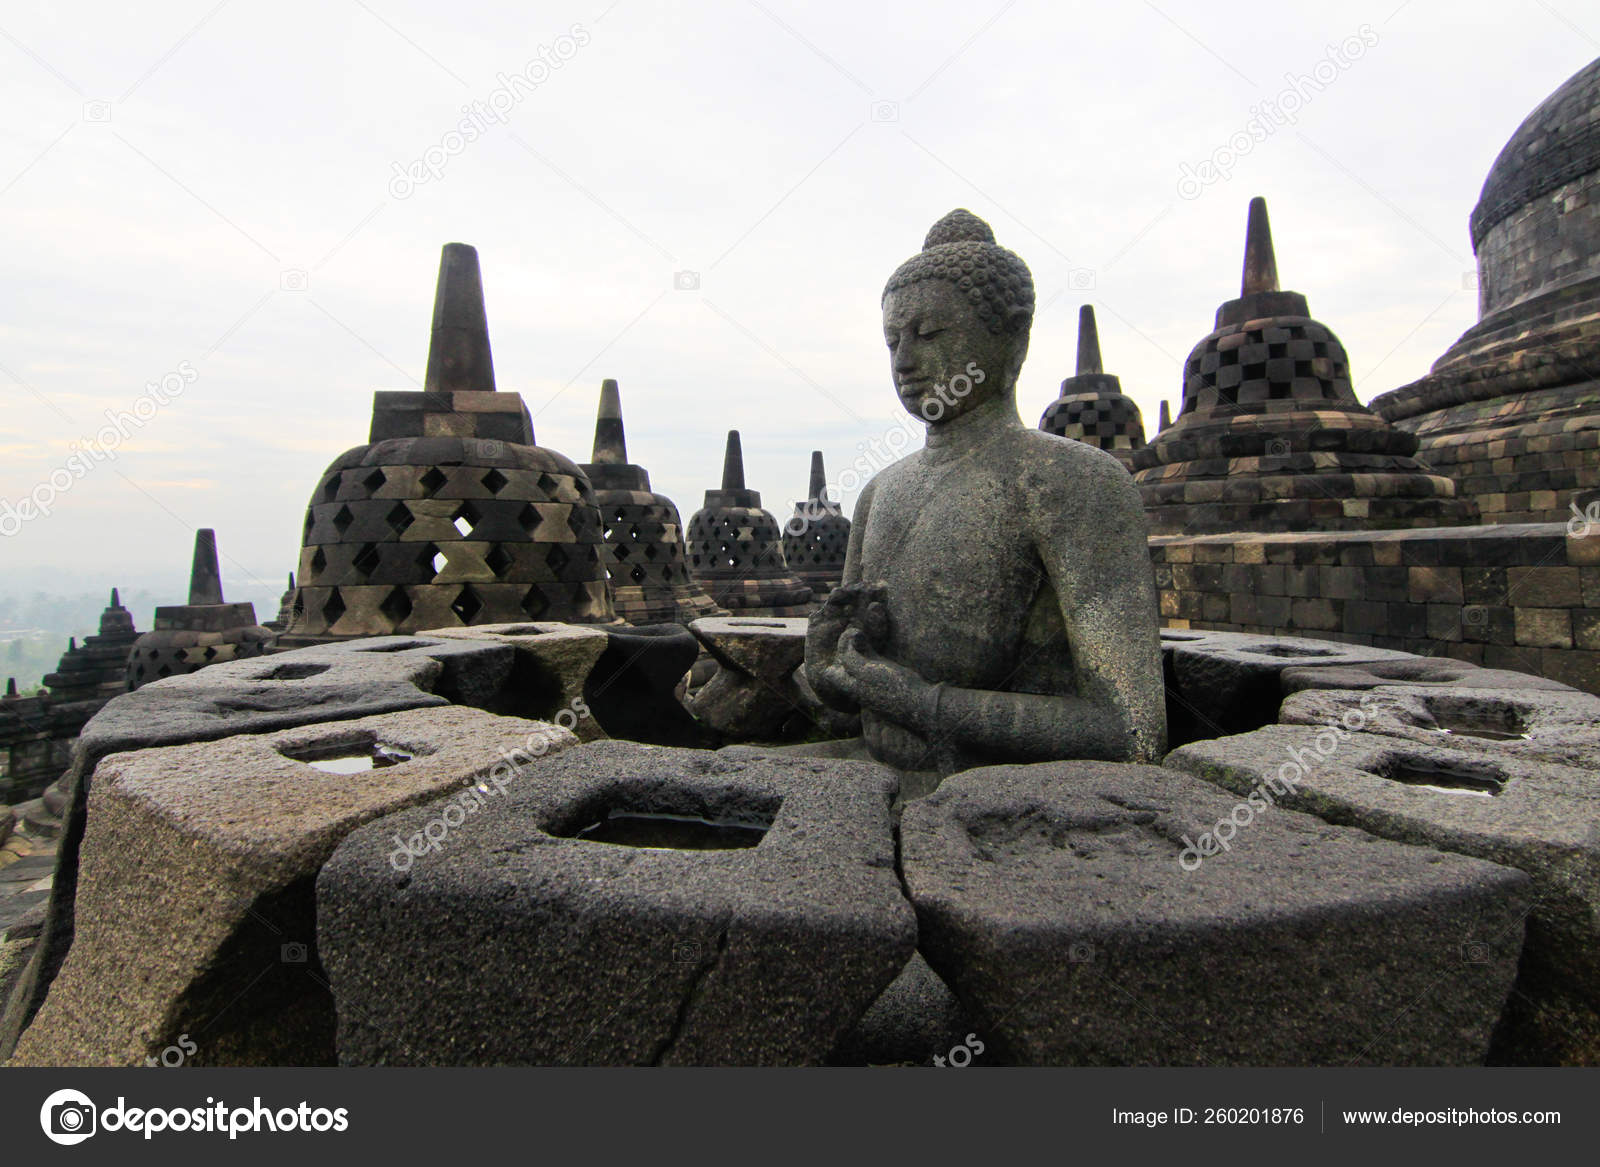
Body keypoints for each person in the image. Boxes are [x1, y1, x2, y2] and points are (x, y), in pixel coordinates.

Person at [805, 209, 1165, 780]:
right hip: (870, 772)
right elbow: (859, 690)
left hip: (997, 796)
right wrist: (832, 673)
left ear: (1012, 338)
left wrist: (921, 704)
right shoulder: (879, 492)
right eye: (892, 340)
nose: (904, 360)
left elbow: (1131, 732)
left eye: (929, 334)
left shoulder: (1070, 483)